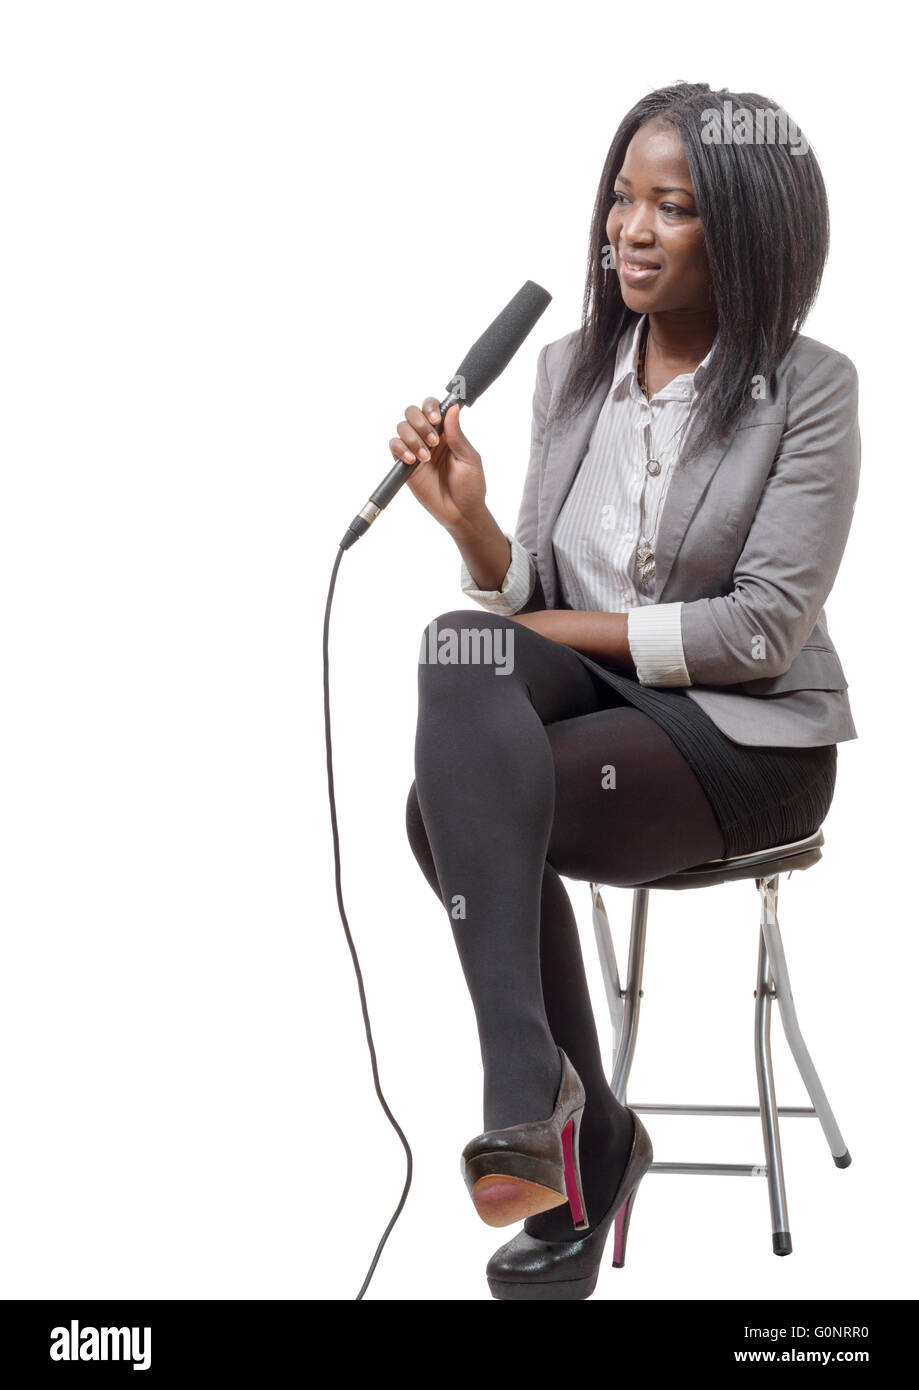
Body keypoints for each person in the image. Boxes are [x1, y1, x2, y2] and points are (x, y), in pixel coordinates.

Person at [393, 81, 860, 1301]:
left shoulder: (811, 389)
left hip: (741, 737)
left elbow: (760, 627)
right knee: (460, 646)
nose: (629, 231)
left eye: (673, 207)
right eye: (620, 198)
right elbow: (529, 596)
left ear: (749, 230)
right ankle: (553, 1103)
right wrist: (478, 527)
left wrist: (553, 628)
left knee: (452, 808)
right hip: (602, 713)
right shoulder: (568, 374)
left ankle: (571, 1134)